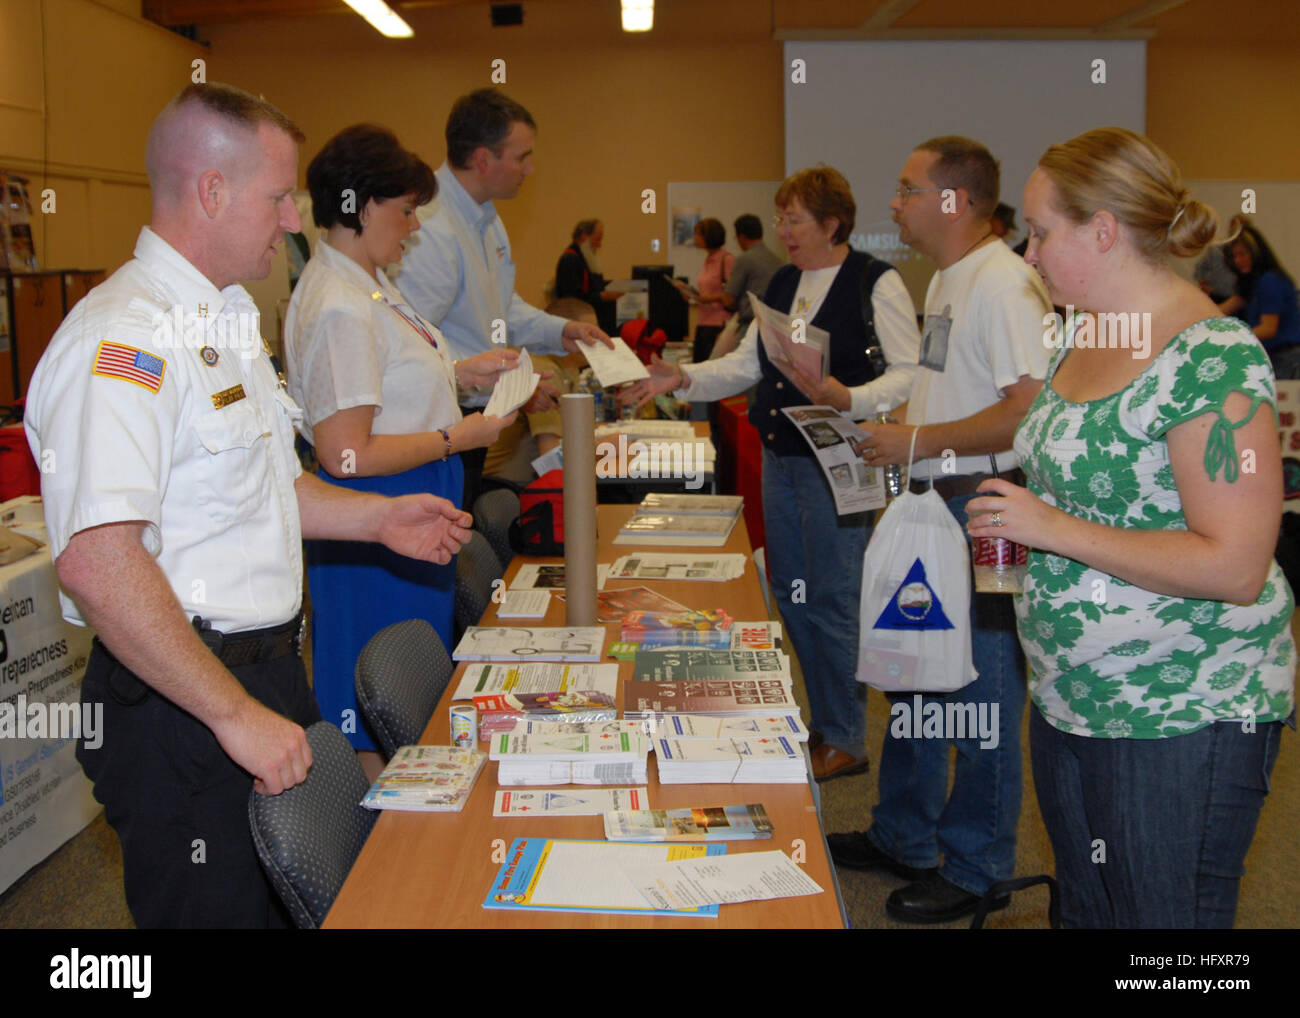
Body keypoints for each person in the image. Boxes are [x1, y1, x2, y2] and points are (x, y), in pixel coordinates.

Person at [24, 83, 473, 928]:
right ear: (212, 191)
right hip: (183, 702)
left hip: (257, 674)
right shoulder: (123, 340)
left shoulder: (225, 319)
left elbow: (264, 487)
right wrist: (232, 715)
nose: (294, 220)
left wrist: (375, 518)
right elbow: (98, 559)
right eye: (278, 198)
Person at [968, 127, 1295, 928]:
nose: (1029, 252)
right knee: (1087, 912)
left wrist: (1049, 527)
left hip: (1182, 705)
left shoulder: (1212, 359)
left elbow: (1236, 565)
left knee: (1164, 928)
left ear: (1104, 229)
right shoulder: (1082, 331)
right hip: (1072, 694)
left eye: (1042, 232)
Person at [620, 166, 920, 783]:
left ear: (832, 224)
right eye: (780, 217)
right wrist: (681, 378)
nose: (783, 229)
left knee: (834, 599)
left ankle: (844, 736)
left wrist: (849, 397)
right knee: (790, 594)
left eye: (795, 219)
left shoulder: (873, 280)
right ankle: (824, 721)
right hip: (783, 458)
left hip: (839, 463)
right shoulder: (783, 281)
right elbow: (744, 365)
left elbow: (911, 373)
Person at [842, 136, 1052, 924]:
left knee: (982, 691)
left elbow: (1026, 407)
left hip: (982, 504)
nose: (892, 204)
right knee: (916, 668)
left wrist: (920, 440)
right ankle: (904, 833)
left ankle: (977, 867)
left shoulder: (1002, 282)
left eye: (906, 189)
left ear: (954, 201)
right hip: (934, 500)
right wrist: (910, 422)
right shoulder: (947, 281)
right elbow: (953, 389)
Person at [284, 124, 517, 773]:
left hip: (407, 500)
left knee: (408, 686)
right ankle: (384, 847)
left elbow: (385, 384)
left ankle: (404, 819)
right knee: (375, 692)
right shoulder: (340, 305)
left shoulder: (368, 283)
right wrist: (457, 437)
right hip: (375, 513)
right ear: (360, 205)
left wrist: (462, 375)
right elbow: (344, 453)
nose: (415, 226)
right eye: (407, 209)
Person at [392, 88, 611, 506]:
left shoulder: (485, 219)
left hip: (472, 416)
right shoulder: (432, 227)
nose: (530, 169)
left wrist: (561, 331)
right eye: (522, 157)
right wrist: (509, 384)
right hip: (438, 426)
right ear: (482, 159)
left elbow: (501, 307)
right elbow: (411, 344)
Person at [1219, 218, 1300, 379]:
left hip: (1286, 358)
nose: (1238, 260)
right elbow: (1223, 309)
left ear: (1256, 252)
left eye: (1242, 254)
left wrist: (1232, 337)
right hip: (1274, 356)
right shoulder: (1253, 284)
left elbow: (1268, 328)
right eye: (1234, 256)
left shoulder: (1269, 281)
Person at [717, 212, 783, 351]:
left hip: (750, 325)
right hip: (774, 327)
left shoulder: (744, 259)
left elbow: (728, 299)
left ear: (741, 237)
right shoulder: (778, 260)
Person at [554, 218, 621, 334]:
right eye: (597, 240)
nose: (599, 245)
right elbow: (572, 298)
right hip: (578, 319)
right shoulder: (570, 260)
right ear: (584, 236)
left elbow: (594, 286)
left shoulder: (584, 259)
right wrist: (601, 296)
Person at [688, 217, 736, 363]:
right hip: (702, 322)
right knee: (698, 366)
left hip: (718, 324)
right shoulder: (708, 259)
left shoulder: (726, 260)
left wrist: (708, 298)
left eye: (698, 234)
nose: (695, 238)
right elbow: (707, 291)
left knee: (712, 366)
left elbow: (732, 294)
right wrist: (691, 296)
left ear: (709, 236)